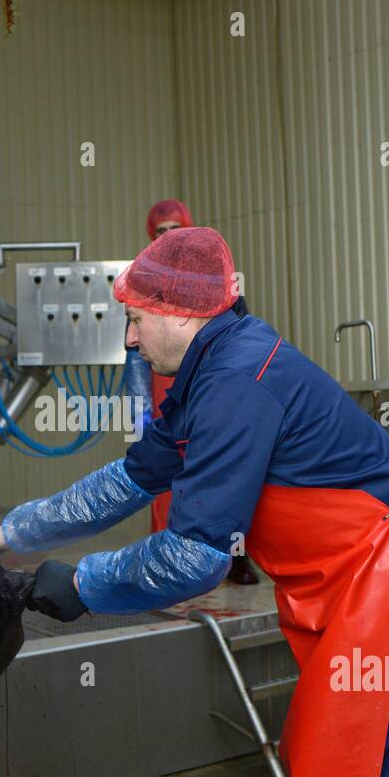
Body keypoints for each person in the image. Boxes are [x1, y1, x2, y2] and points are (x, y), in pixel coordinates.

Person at [0, 226, 389, 777]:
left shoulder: (236, 383)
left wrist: (83, 583)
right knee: (347, 766)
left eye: (136, 319)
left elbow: (193, 558)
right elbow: (131, 479)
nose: (129, 337)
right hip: (357, 580)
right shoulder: (210, 368)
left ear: (179, 314)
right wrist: (7, 534)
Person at [127, 199, 258, 584]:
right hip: (162, 384)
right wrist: (137, 414)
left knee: (221, 471)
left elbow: (237, 329)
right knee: (168, 477)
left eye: (174, 229)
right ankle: (169, 564)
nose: (169, 236)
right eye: (161, 231)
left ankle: (233, 558)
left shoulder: (213, 274)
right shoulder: (142, 278)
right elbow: (134, 349)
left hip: (209, 382)